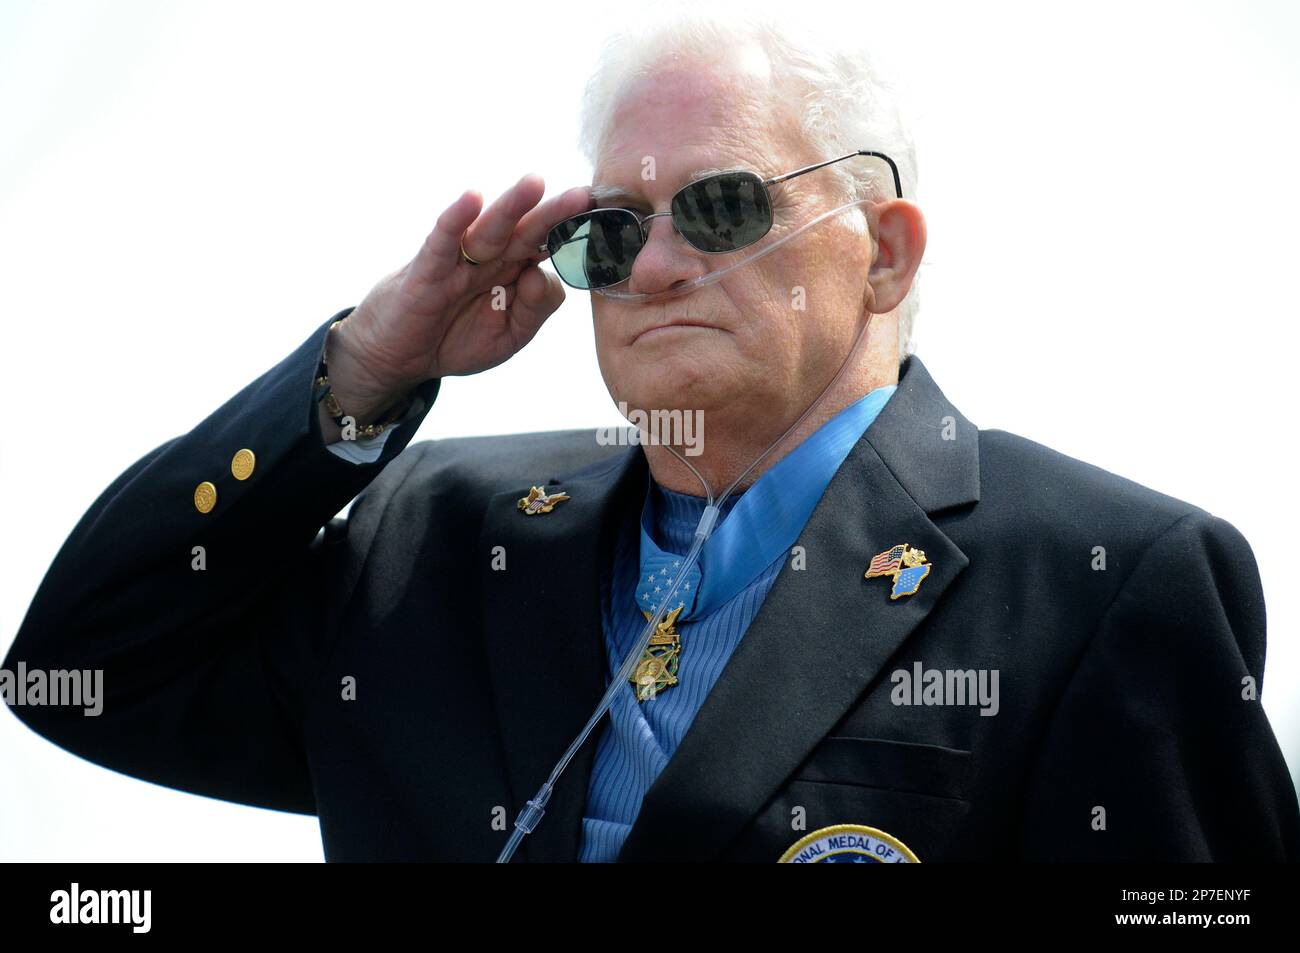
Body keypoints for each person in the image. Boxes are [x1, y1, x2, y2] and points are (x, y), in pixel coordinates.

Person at [5, 11, 1297, 863]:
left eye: (723, 206)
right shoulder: (438, 543)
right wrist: (363, 375)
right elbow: (82, 670)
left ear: (885, 254)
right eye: (611, 229)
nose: (658, 263)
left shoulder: (1098, 581)